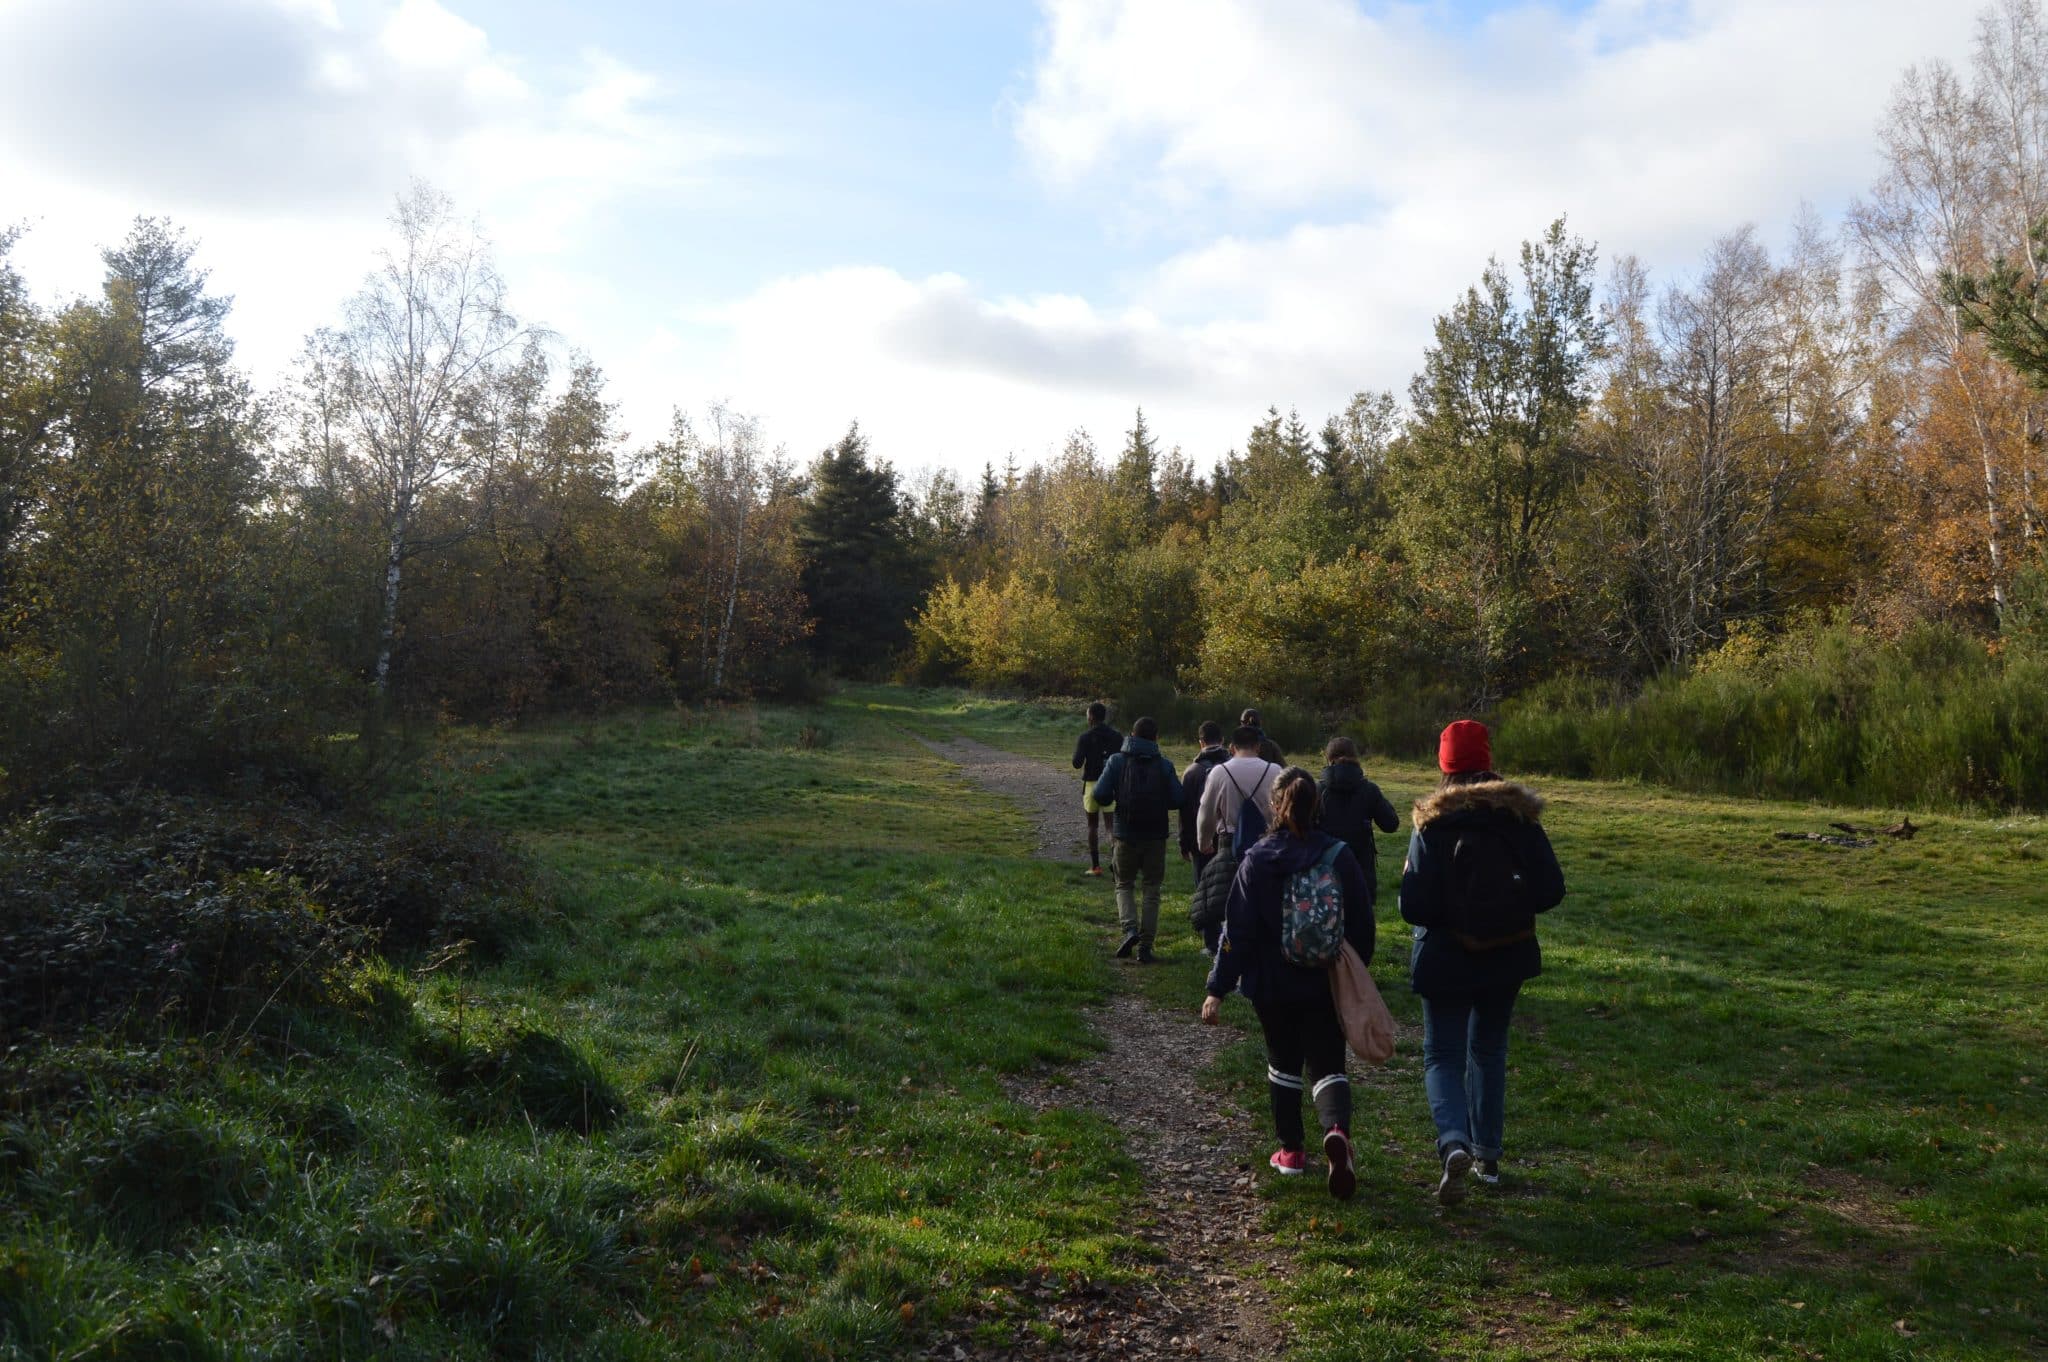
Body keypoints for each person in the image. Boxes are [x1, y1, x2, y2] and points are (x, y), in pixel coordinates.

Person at [1398, 720, 1565, 1206]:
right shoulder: (1521, 819)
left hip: (1445, 956)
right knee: (1488, 1050)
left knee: (1441, 1054)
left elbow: (1413, 907)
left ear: (1443, 764)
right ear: (1488, 759)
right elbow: (1552, 889)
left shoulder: (1430, 823)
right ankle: (1489, 1157)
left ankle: (1453, 1141)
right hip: (1507, 953)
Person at [1201, 768, 1374, 1200]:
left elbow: (1235, 931)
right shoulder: (1338, 855)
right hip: (1324, 977)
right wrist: (1353, 968)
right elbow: (1363, 922)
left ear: (1272, 806)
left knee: (1283, 1060)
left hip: (1270, 981)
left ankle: (1292, 1152)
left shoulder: (1257, 859)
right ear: (1317, 805)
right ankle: (1336, 1131)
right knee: (1328, 1061)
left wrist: (1217, 987)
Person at [1093, 716, 1183, 963]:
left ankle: (1130, 929)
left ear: (1131, 735)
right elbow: (1177, 799)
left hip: (1125, 834)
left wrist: (1118, 798)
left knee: (1124, 884)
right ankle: (1146, 947)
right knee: (1152, 890)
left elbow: (1100, 794)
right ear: (1156, 738)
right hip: (1155, 836)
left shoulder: (1116, 762)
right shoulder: (1164, 765)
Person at [1179, 720, 1231, 951]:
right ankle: (1230, 939)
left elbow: (1185, 812)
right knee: (1230, 886)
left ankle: (1211, 942)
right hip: (1228, 837)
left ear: (1200, 742)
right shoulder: (1231, 768)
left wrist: (1185, 842)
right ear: (1222, 740)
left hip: (1201, 839)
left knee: (1205, 889)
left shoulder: (1192, 772)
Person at [1317, 737, 1399, 878]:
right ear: (1355, 758)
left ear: (1328, 759)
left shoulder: (1317, 790)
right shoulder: (1369, 790)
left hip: (1325, 870)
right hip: (1361, 869)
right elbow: (1391, 824)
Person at [1071, 701, 1123, 877]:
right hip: (1111, 784)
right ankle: (1117, 865)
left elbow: (1076, 763)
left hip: (1092, 784)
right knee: (1110, 827)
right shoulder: (1117, 736)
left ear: (1091, 716)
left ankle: (1095, 866)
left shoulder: (1085, 737)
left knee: (1092, 825)